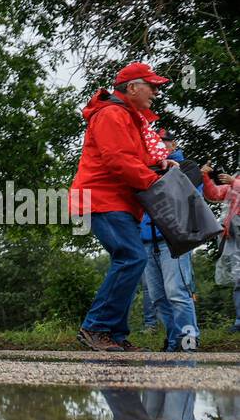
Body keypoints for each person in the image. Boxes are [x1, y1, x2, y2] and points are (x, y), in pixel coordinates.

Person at [70, 62, 175, 353]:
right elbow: (118, 160)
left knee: (131, 258)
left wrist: (161, 166)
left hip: (117, 201)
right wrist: (154, 182)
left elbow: (134, 159)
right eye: (151, 85)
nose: (156, 91)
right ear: (132, 88)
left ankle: (114, 335)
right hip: (101, 198)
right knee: (131, 257)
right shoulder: (111, 114)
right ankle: (96, 327)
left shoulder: (129, 118)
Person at [139, 135, 201, 352]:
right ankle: (174, 341)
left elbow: (189, 196)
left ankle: (188, 342)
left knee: (177, 292)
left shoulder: (187, 167)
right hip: (146, 241)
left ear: (174, 145)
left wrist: (168, 169)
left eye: (164, 141)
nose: (160, 145)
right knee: (157, 298)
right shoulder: (144, 169)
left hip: (173, 240)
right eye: (155, 142)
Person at [202, 165, 240, 332]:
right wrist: (206, 177)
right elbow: (214, 194)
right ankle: (239, 322)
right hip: (234, 235)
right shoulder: (233, 184)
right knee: (239, 279)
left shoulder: (235, 183)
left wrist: (234, 182)